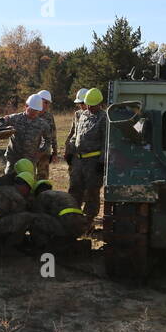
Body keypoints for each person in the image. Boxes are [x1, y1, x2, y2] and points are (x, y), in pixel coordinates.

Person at [67, 87, 108, 228]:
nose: (89, 107)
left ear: (99, 103)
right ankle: (72, 218)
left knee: (91, 192)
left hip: (93, 162)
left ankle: (88, 222)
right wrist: (70, 152)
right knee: (74, 190)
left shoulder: (104, 118)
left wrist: (102, 162)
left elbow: (106, 142)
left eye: (92, 105)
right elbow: (75, 135)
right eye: (88, 104)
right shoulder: (82, 115)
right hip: (78, 160)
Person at [0, 94, 48, 176]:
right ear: (26, 106)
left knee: (27, 183)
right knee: (8, 181)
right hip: (13, 159)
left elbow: (48, 140)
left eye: (36, 111)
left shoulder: (42, 124)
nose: (34, 113)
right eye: (32, 110)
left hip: (30, 160)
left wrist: (41, 151)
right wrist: (5, 128)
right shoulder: (15, 118)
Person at [28, 183, 89, 254]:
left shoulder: (41, 196)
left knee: (33, 219)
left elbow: (37, 215)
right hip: (81, 226)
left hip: (67, 223)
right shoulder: (60, 195)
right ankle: (73, 245)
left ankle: (43, 247)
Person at [34, 89, 58, 181]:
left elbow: (53, 135)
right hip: (30, 151)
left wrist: (55, 152)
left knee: (43, 178)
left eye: (48, 103)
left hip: (44, 153)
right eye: (45, 102)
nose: (47, 106)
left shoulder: (49, 117)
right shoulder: (31, 113)